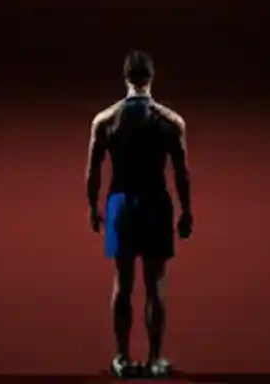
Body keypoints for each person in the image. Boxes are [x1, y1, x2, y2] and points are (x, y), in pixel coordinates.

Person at [86, 51, 193, 379]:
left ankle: (122, 357)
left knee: (123, 281)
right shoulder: (170, 122)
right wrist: (187, 210)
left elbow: (93, 170)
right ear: (151, 77)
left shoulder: (106, 120)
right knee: (155, 282)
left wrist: (93, 206)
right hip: (156, 202)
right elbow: (181, 172)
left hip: (121, 202)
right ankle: (154, 358)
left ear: (126, 77)